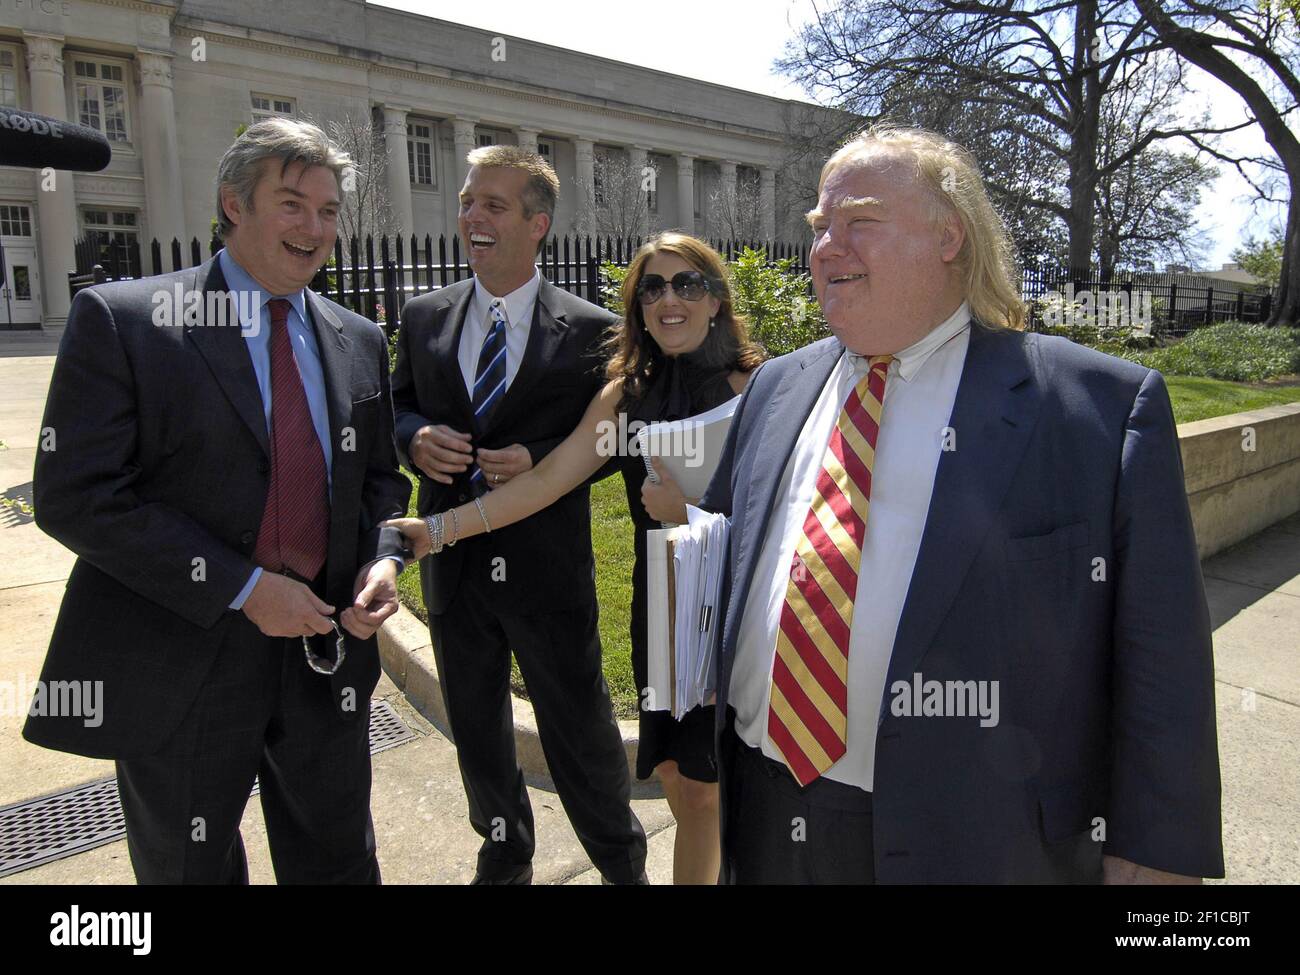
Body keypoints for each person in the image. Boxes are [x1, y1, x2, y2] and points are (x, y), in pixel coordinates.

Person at [697, 126, 1224, 883]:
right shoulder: (776, 387)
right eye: (819, 227)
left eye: (860, 222)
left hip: (978, 841)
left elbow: (1161, 655)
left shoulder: (1097, 409)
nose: (825, 247)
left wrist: (1155, 850)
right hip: (765, 816)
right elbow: (728, 555)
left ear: (949, 236)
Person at [24, 118, 412, 883]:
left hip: (324, 652)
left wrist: (383, 559)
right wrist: (241, 587)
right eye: (293, 203)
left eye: (329, 210)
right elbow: (75, 496)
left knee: (340, 861)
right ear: (233, 204)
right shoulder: (126, 322)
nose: (315, 227)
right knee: (187, 868)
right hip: (181, 659)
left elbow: (380, 483)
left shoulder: (358, 337)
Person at [390, 232, 762, 884]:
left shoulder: (760, 386)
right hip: (668, 604)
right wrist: (440, 530)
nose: (669, 298)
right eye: (653, 287)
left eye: (686, 284)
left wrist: (698, 514)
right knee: (683, 780)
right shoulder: (627, 393)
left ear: (715, 298)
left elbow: (799, 515)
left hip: (740, 604)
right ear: (638, 305)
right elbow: (545, 481)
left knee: (734, 779)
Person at [390, 145, 647, 885]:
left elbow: (605, 438)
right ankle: (505, 856)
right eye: (469, 200)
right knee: (476, 727)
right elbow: (396, 406)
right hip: (453, 571)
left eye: (493, 205)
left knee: (581, 730)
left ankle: (621, 863)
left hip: (545, 572)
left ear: (537, 225)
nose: (472, 215)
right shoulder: (425, 314)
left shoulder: (594, 329)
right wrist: (413, 436)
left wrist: (538, 453)